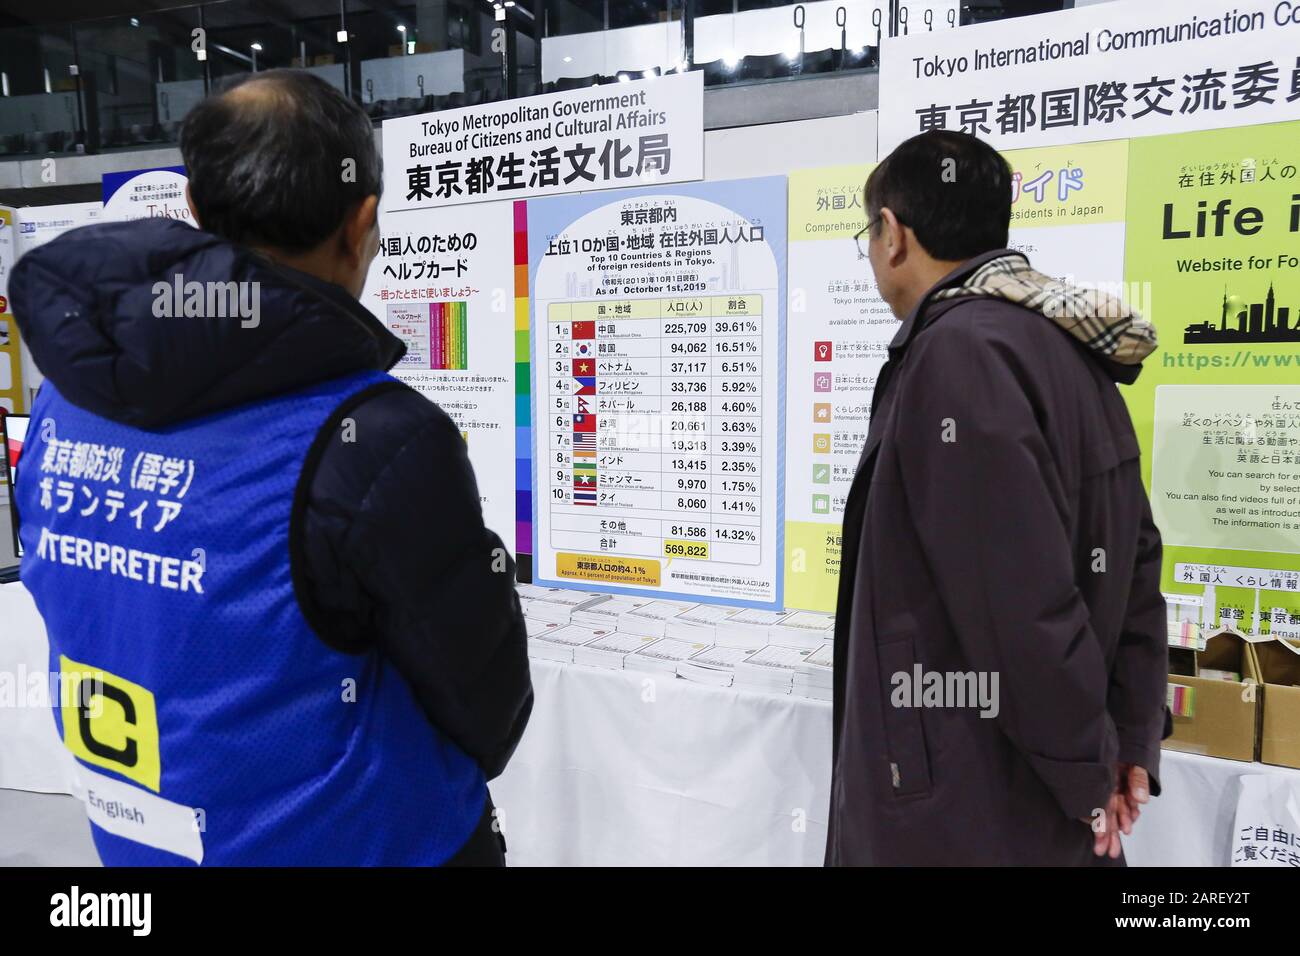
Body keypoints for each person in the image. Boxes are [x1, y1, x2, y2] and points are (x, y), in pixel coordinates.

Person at [10, 70, 531, 866]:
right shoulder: (379, 437)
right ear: (359, 226)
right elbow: (485, 701)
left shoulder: (65, 398)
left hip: (143, 846)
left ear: (196, 212)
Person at [827, 129, 1169, 866]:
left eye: (869, 233)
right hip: (1029, 790)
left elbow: (1022, 608)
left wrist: (1089, 769)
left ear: (892, 234)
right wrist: (1128, 738)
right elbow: (1137, 559)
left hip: (969, 800)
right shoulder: (1070, 349)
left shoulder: (958, 353)